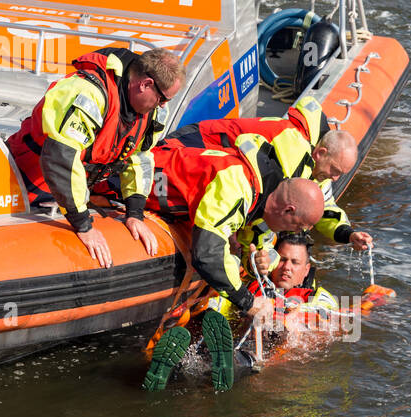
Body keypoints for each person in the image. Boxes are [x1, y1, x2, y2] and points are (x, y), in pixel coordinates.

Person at [139, 145, 325, 390]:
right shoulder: (239, 186)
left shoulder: (262, 200)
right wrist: (247, 302)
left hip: (174, 206)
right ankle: (187, 361)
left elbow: (257, 246)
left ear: (307, 269)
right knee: (210, 288)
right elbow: (208, 255)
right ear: (288, 210)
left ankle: (181, 362)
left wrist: (263, 264)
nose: (287, 267)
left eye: (295, 262)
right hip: (137, 187)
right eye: (297, 226)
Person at [7, 48, 186, 269]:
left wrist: (135, 213)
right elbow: (60, 158)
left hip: (75, 189)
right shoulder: (87, 93)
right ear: (145, 84)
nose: (163, 105)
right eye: (162, 99)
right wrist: (83, 225)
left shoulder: (150, 113)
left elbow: (140, 157)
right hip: (25, 182)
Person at [164, 96, 374, 250]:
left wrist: (348, 234)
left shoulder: (316, 167)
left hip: (208, 157)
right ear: (320, 153)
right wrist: (247, 244)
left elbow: (324, 205)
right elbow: (267, 205)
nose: (335, 178)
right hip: (188, 145)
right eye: (335, 171)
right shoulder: (291, 151)